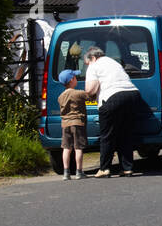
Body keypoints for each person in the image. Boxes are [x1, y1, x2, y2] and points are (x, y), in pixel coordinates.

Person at [83, 46, 144, 177]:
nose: (87, 66)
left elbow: (90, 90)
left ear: (92, 58)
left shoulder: (94, 65)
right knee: (125, 134)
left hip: (112, 98)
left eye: (86, 63)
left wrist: (89, 95)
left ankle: (104, 168)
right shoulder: (114, 62)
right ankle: (127, 167)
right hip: (133, 95)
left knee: (107, 135)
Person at [57, 69, 88, 180]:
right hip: (78, 123)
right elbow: (91, 96)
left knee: (66, 148)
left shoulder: (60, 96)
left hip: (65, 124)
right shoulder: (78, 93)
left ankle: (66, 173)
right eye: (75, 77)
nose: (76, 79)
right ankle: (79, 172)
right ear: (71, 80)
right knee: (78, 147)